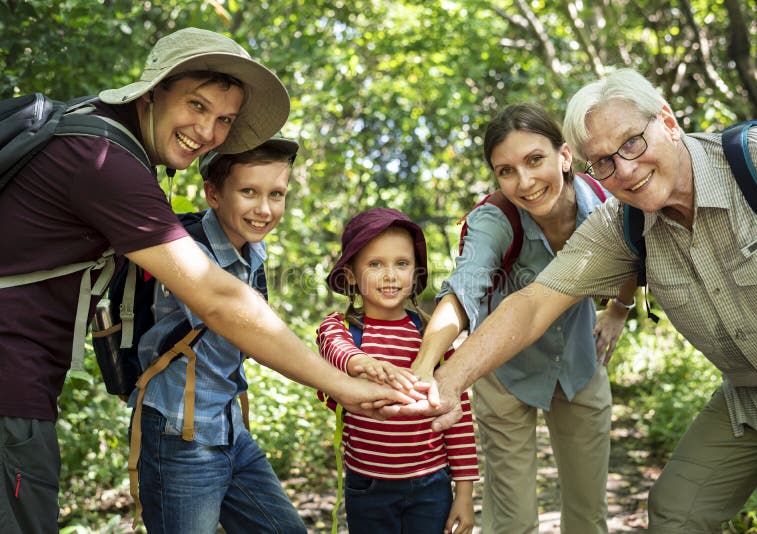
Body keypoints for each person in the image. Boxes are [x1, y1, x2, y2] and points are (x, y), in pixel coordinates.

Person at [0, 27, 410, 534]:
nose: (209, 132)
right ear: (152, 92)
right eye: (196, 105)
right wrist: (342, 385)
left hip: (39, 387)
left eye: (224, 120)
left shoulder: (98, 138)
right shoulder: (104, 163)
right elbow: (217, 298)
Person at [392, 68, 757, 533]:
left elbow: (619, 279)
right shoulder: (615, 222)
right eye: (604, 161)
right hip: (753, 393)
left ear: (666, 120)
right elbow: (527, 303)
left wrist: (618, 312)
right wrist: (442, 378)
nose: (624, 169)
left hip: (582, 366)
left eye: (632, 143)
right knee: (671, 510)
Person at [412, 103, 635, 534]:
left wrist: (618, 311)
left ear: (564, 156)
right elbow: (464, 289)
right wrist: (427, 363)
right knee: (510, 520)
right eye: (506, 170)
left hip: (578, 363)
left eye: (535, 160)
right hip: (503, 373)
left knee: (588, 516)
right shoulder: (494, 219)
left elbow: (631, 254)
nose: (525, 181)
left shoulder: (609, 206)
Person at [130, 137, 305, 533]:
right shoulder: (187, 253)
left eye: (276, 194)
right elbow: (244, 325)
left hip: (229, 429)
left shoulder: (251, 253)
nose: (264, 209)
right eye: (248, 192)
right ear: (213, 194)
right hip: (179, 435)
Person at [316, 207, 479, 534]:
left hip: (431, 484)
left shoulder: (431, 334)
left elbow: (456, 414)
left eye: (401, 264)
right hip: (368, 485)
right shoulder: (345, 329)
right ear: (350, 275)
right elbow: (331, 346)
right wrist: (363, 363)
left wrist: (464, 492)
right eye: (375, 264)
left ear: (416, 273)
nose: (390, 275)